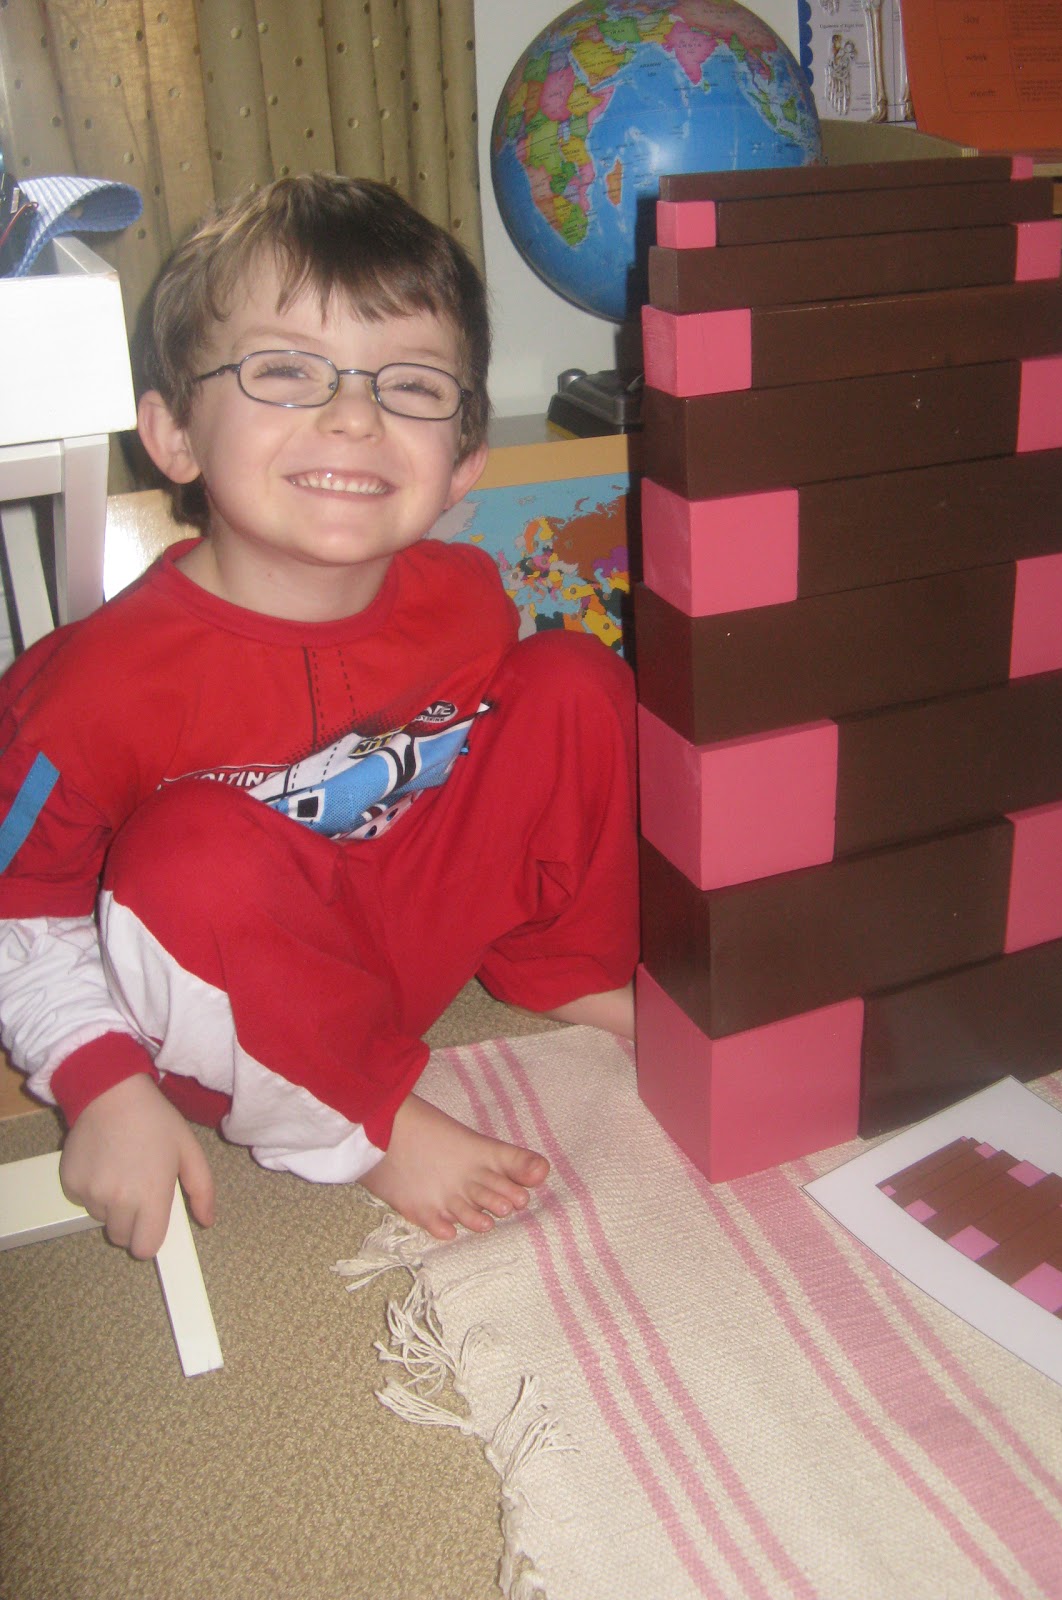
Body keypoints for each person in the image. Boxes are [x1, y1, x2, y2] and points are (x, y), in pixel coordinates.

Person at [0, 174, 637, 1260]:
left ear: (463, 463)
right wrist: (100, 1084)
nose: (353, 414)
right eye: (285, 371)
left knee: (575, 675)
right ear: (174, 435)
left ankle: (569, 965)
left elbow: (503, 779)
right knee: (192, 848)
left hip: (400, 928)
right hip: (235, 1009)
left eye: (411, 384)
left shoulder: (468, 596)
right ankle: (367, 1125)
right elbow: (22, 914)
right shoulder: (88, 690)